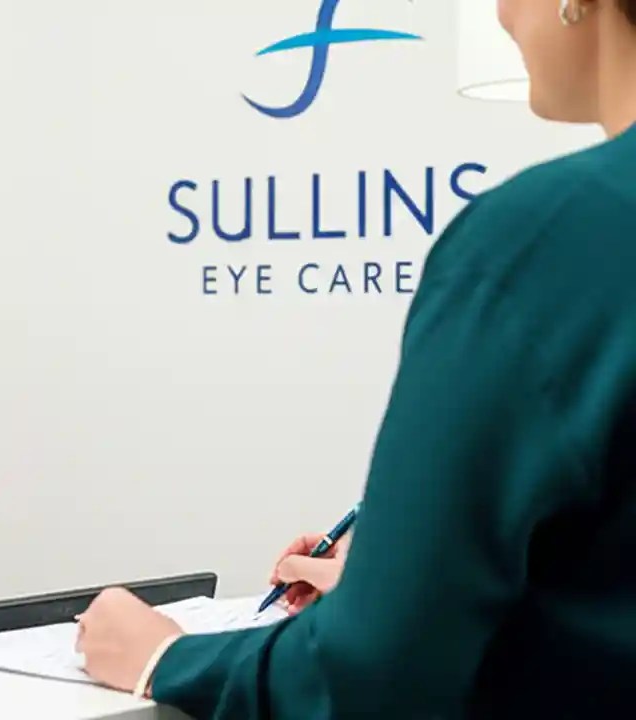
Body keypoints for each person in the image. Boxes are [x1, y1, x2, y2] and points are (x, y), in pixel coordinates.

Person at [75, 0, 636, 716]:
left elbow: (374, 676)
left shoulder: (538, 240)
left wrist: (164, 657)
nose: (499, 16)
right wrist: (412, 591)